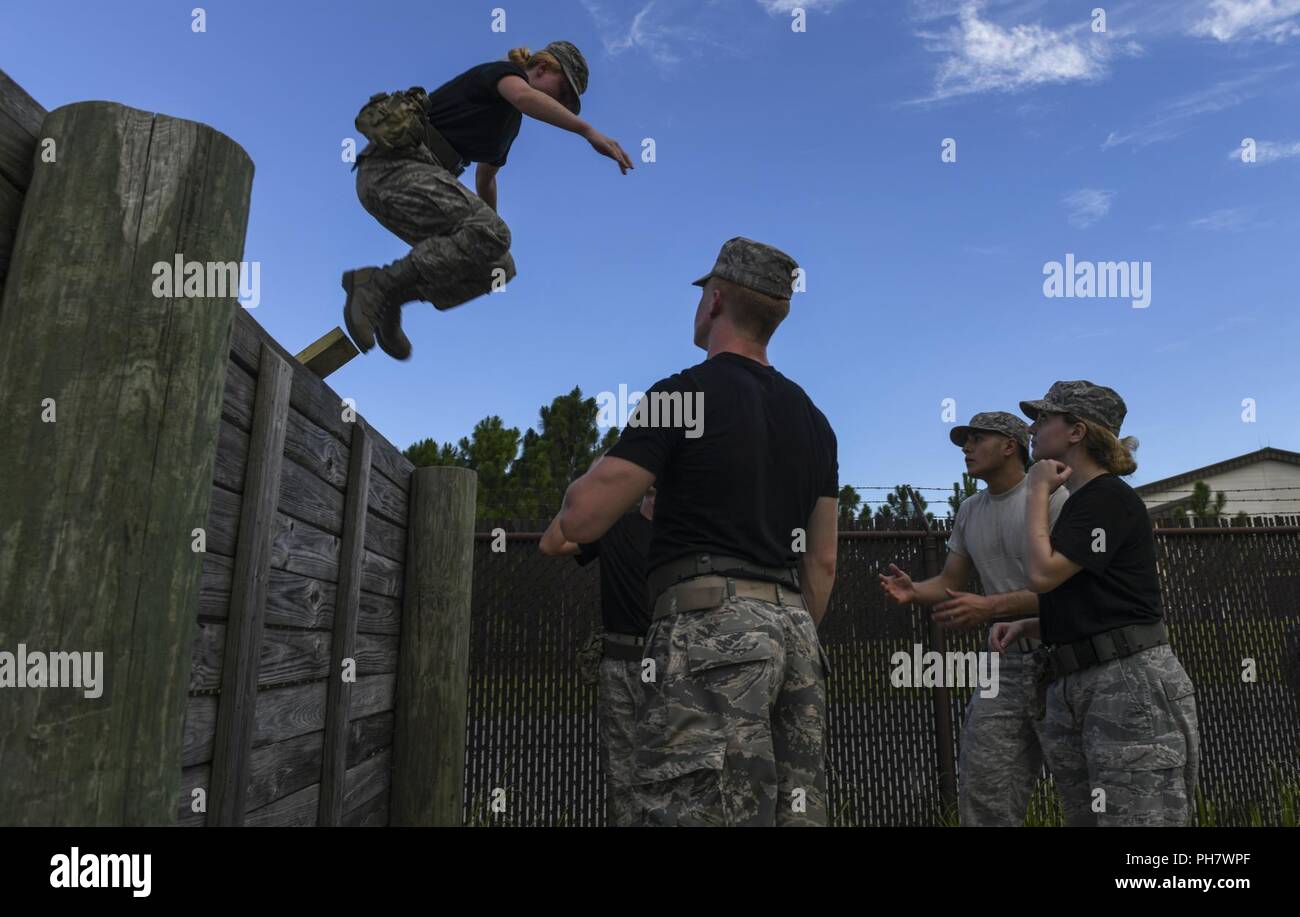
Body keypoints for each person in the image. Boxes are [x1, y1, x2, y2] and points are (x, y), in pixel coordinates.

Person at [555, 237, 839, 826]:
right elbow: (823, 562)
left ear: (713, 300)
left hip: (709, 631)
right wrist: (782, 627)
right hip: (797, 638)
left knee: (697, 811)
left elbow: (581, 518)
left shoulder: (680, 394)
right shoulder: (815, 420)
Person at [992, 380, 1200, 826]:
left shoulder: (1107, 497)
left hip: (1127, 683)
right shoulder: (1085, 502)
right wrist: (1034, 626)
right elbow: (1097, 600)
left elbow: (1041, 574)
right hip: (1081, 680)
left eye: (1044, 418)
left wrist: (1035, 492)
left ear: (1077, 431)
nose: (1033, 428)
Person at [345, 41, 634, 359]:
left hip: (409, 192)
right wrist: (588, 131)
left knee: (500, 266)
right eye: (563, 92)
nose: (562, 103)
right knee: (493, 232)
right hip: (390, 171)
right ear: (541, 68)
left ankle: (391, 297)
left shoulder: (508, 127)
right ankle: (376, 287)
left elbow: (486, 178)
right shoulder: (504, 74)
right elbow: (524, 97)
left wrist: (484, 240)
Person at [879, 412, 1067, 826]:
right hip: (1004, 664)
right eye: (964, 441)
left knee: (1084, 790)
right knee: (984, 789)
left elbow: (1070, 593)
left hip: (1066, 661)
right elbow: (950, 580)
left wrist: (991, 606)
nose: (966, 448)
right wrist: (914, 591)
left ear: (1009, 445)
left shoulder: (1053, 498)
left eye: (977, 439)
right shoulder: (969, 510)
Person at [539, 482, 655, 827]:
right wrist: (587, 481)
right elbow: (552, 543)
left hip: (677, 665)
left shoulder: (691, 531)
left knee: (681, 773)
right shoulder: (615, 525)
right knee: (623, 778)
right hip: (621, 665)